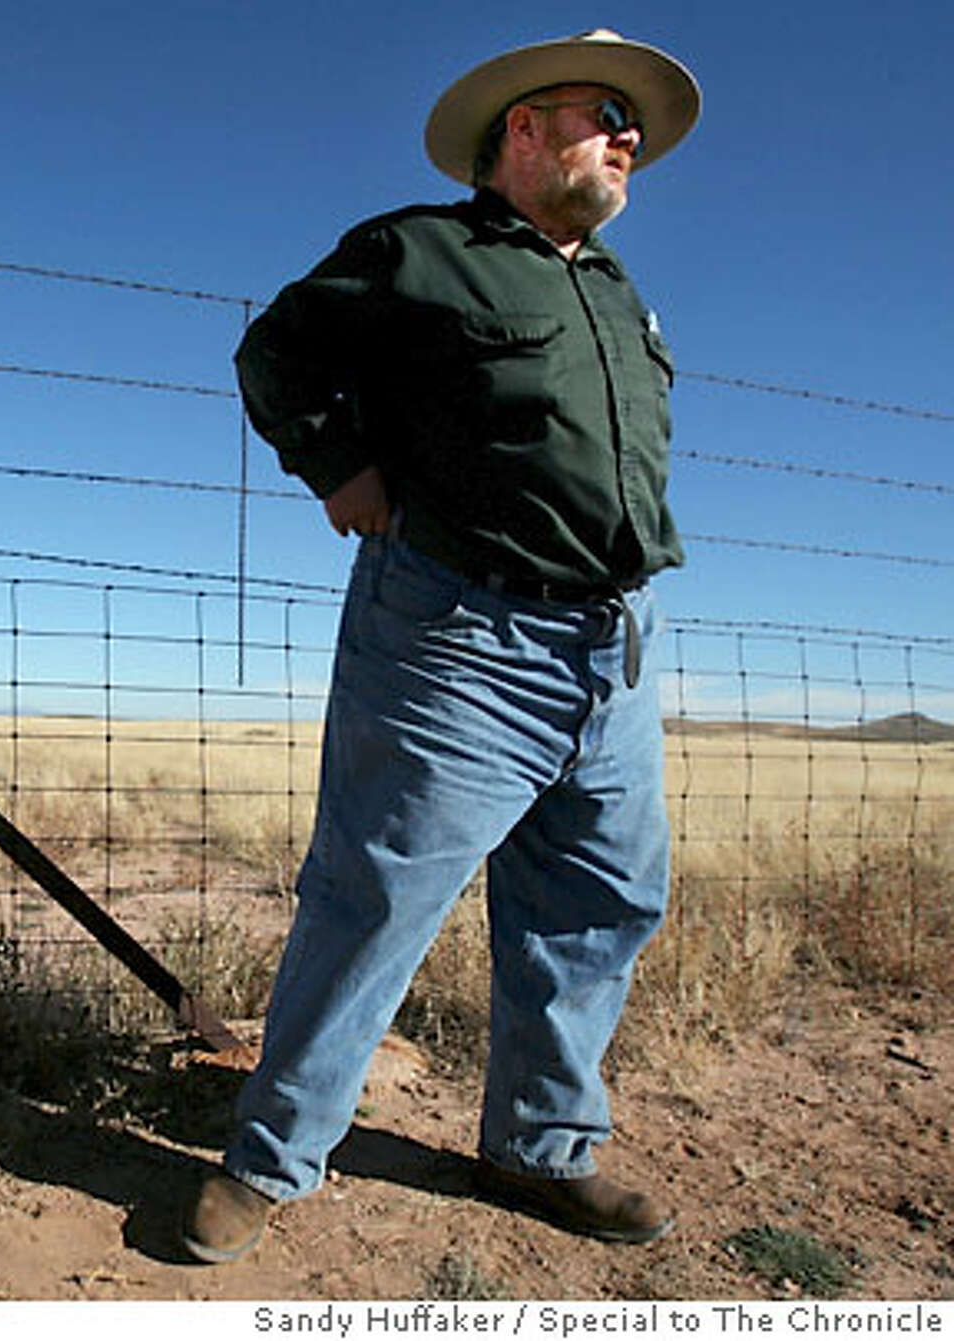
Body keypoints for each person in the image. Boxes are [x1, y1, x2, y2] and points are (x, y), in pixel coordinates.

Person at [184, 29, 701, 1263]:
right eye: (602, 116)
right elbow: (279, 354)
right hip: (460, 638)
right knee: (374, 904)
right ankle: (271, 1160)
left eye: (633, 125)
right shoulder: (422, 251)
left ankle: (543, 1149)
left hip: (615, 651)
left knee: (597, 905)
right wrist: (342, 466)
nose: (626, 139)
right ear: (522, 131)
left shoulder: (617, 292)